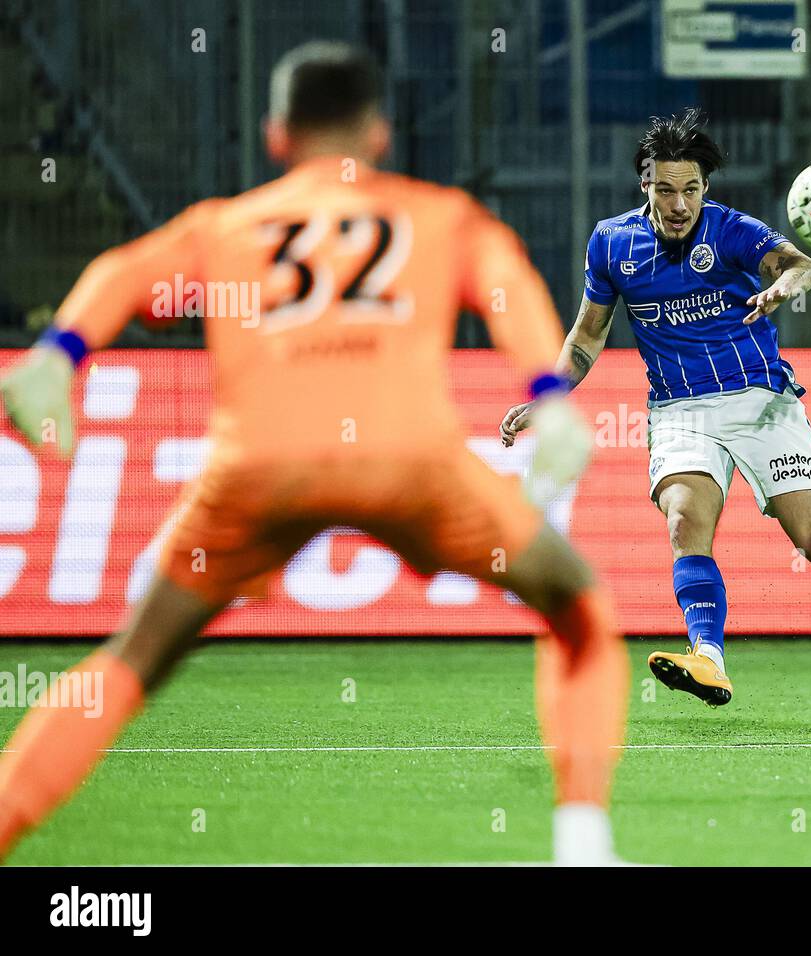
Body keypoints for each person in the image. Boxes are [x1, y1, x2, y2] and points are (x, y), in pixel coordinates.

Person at [0, 41, 628, 865]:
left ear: (275, 135)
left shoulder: (221, 228)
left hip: (258, 472)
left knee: (133, 656)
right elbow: (509, 288)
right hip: (412, 467)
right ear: (379, 134)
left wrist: (58, 354)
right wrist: (551, 402)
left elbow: (125, 273)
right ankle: (583, 848)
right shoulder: (441, 217)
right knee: (577, 610)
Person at [500, 109, 811, 707]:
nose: (679, 204)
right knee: (684, 520)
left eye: (690, 189)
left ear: (705, 188)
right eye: (665, 189)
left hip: (762, 402)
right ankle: (709, 659)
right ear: (645, 184)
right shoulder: (612, 243)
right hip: (679, 410)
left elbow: (804, 264)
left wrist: (783, 286)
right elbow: (588, 336)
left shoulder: (733, 231)